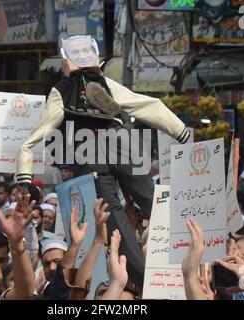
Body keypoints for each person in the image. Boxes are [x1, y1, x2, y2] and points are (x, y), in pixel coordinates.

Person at [15, 35, 190, 289]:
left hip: (88, 154)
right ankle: (187, 256)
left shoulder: (60, 91)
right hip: (123, 143)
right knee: (153, 200)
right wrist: (180, 130)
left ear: (66, 63)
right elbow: (147, 105)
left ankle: (148, 283)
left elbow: (35, 137)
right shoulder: (105, 84)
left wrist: (25, 175)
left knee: (114, 217)